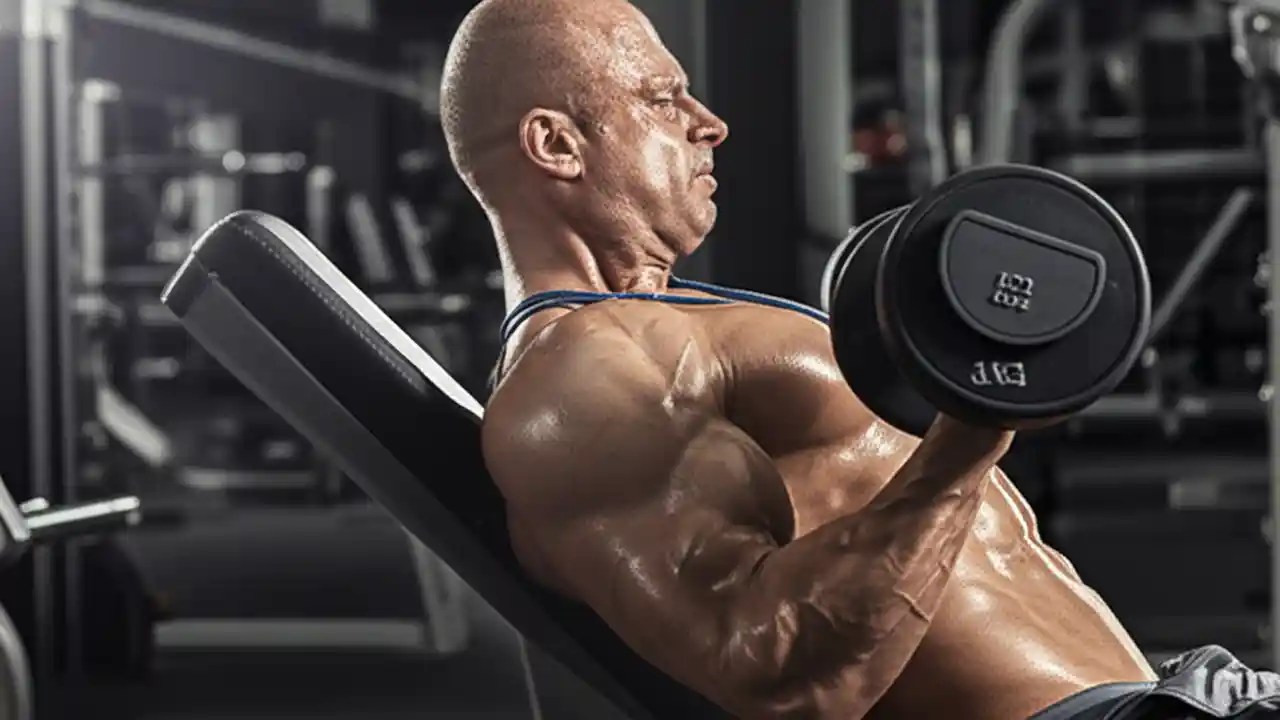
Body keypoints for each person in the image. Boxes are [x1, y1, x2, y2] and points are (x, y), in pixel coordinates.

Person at [441, 0, 1280, 717]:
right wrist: (974, 428)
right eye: (662, 100)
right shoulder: (577, 382)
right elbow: (782, 675)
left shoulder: (671, 330)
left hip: (1177, 693)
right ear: (557, 145)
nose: (710, 123)